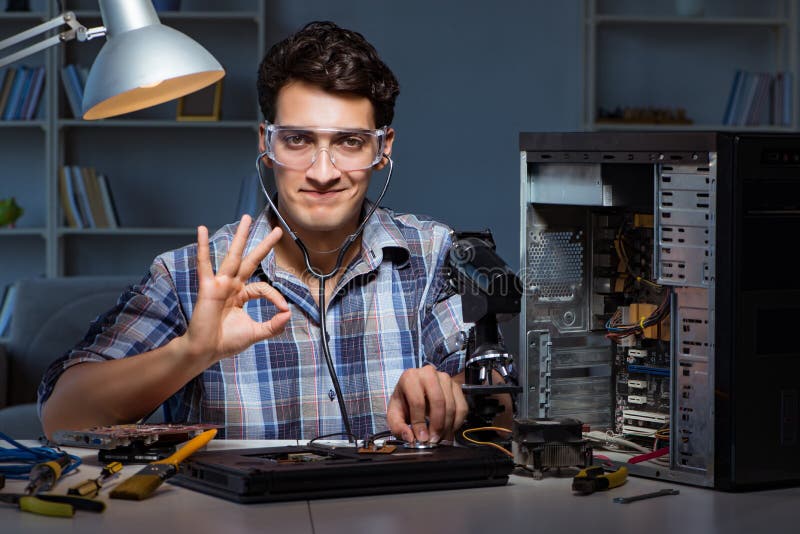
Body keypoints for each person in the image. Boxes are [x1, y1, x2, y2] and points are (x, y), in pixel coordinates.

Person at [38, 21, 511, 443]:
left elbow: (501, 416)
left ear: (382, 149)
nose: (322, 172)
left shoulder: (433, 254)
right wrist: (191, 352)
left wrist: (454, 397)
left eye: (349, 142)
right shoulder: (187, 274)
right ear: (266, 144)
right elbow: (61, 416)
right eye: (298, 140)